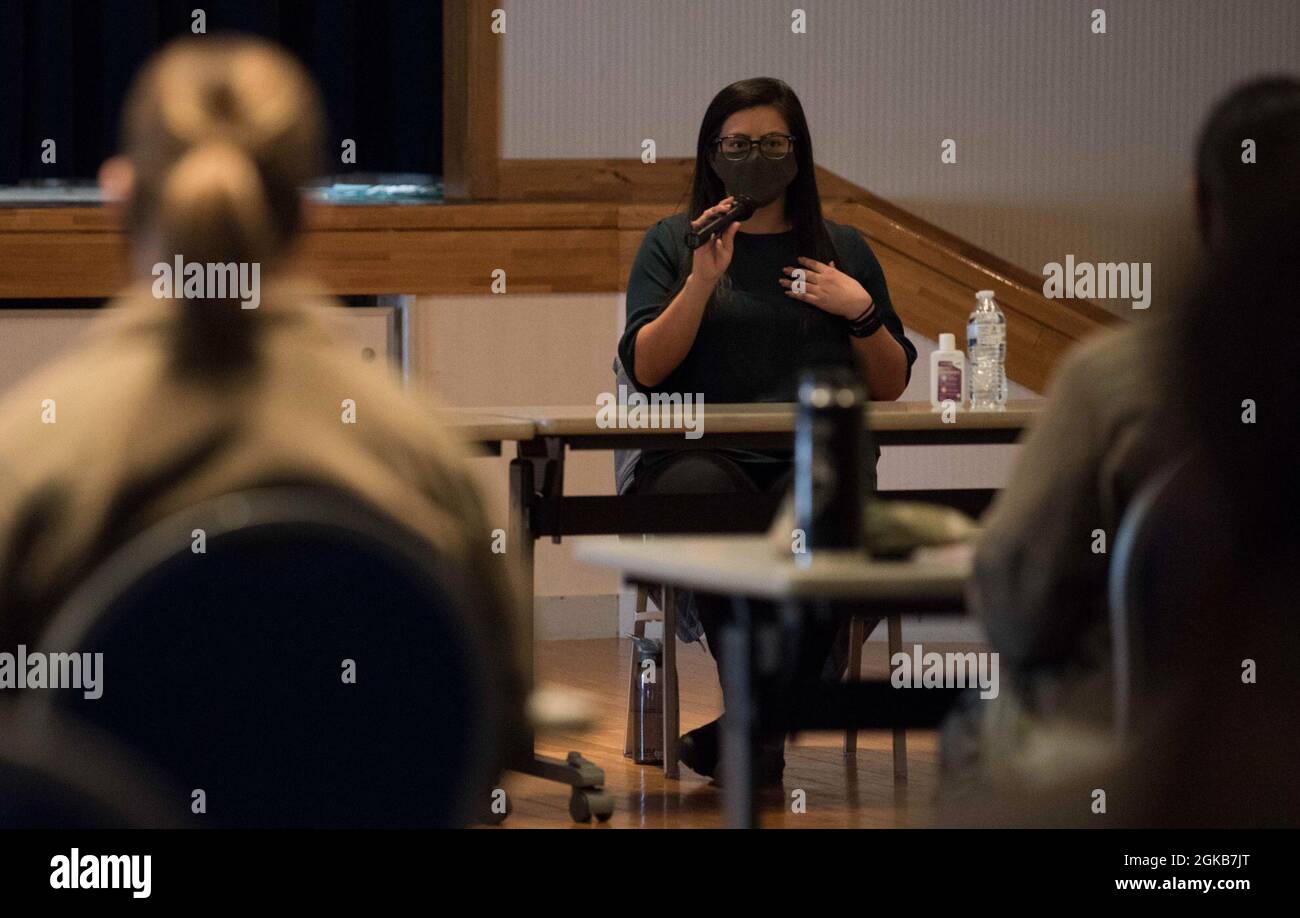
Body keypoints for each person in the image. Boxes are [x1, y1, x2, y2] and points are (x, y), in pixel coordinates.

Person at [0, 36, 524, 715]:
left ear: (119, 199)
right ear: (310, 215)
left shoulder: (33, 456)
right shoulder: (421, 462)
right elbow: (498, 705)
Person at [943, 75, 1300, 789]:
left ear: (1204, 207)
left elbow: (1019, 609)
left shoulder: (1115, 382)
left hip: (1143, 751)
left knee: (973, 730)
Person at [615, 77, 916, 783]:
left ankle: (752, 728)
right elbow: (646, 370)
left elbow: (892, 381)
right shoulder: (674, 241)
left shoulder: (840, 247)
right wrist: (700, 279)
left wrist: (861, 310)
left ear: (799, 152)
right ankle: (765, 719)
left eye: (774, 143)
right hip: (696, 459)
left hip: (813, 460)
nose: (757, 157)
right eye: (739, 144)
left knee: (845, 524)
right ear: (712, 154)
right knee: (713, 503)